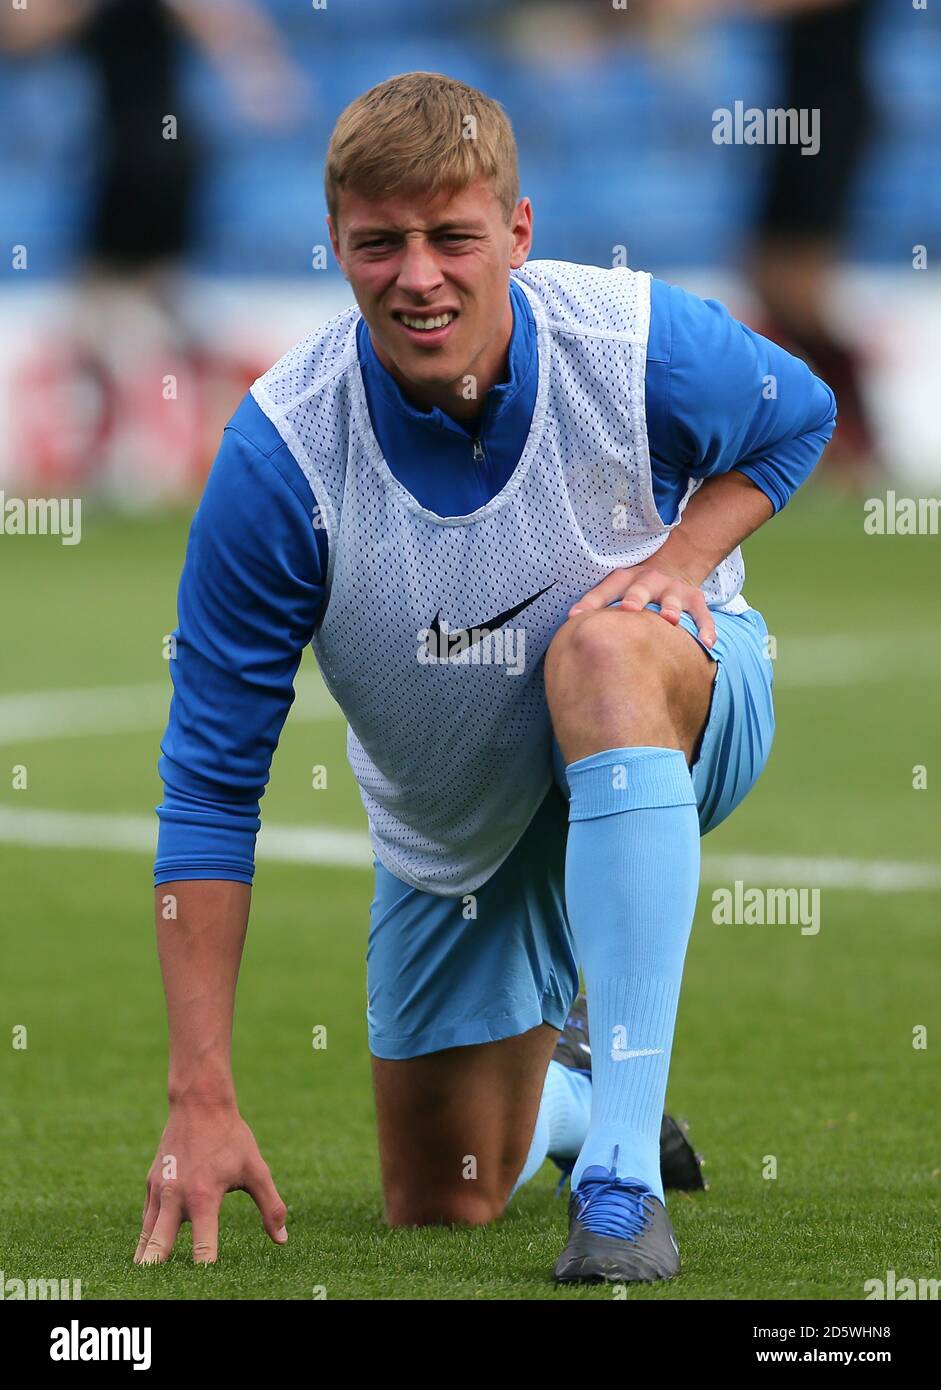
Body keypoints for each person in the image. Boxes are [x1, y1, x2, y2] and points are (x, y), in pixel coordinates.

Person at [144, 72, 835, 1284]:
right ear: (336, 246)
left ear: (515, 233)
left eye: (452, 236)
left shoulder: (630, 340)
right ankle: (567, 1108)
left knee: (606, 639)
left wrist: (680, 560)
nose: (418, 275)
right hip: (451, 829)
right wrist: (198, 1095)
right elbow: (209, 790)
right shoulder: (276, 459)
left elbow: (800, 413)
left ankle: (618, 1181)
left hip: (671, 705)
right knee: (441, 1196)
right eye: (379, 243)